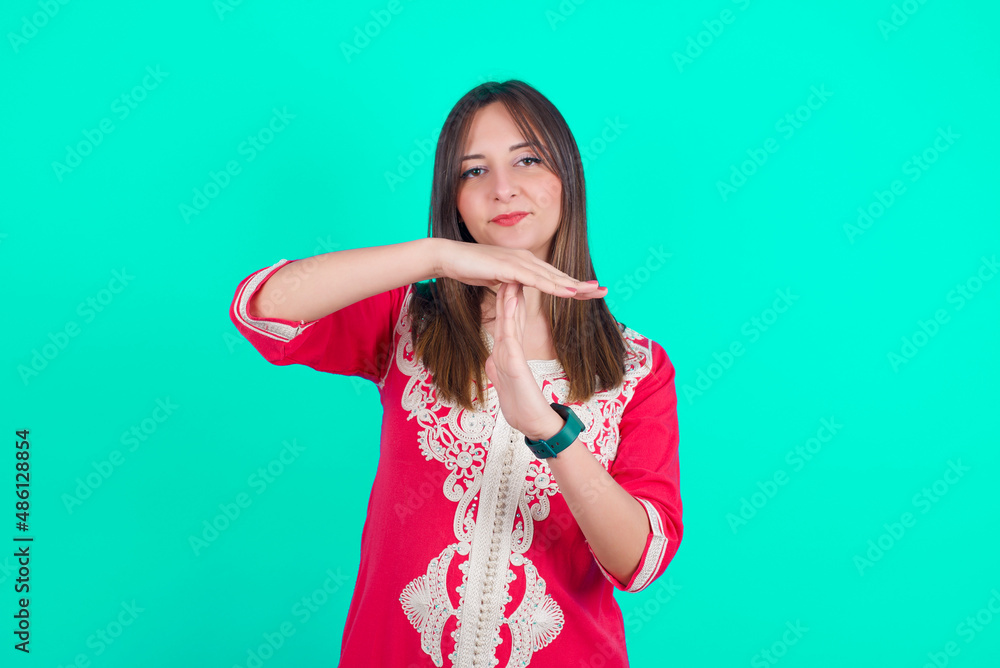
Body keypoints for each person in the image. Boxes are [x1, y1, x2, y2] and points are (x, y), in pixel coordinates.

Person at [229, 79, 683, 668]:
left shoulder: (636, 368)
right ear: (454, 199)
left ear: (567, 176)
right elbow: (262, 305)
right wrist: (435, 256)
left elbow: (638, 560)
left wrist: (548, 429)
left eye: (527, 159)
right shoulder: (408, 322)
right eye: (473, 172)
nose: (502, 189)